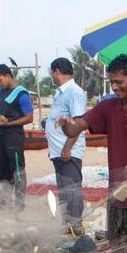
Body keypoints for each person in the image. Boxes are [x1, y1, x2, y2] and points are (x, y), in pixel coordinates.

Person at [59, 55, 127, 251]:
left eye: (119, 82)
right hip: (116, 195)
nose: (115, 87)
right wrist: (66, 125)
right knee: (117, 249)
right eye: (111, 83)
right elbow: (74, 129)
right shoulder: (107, 107)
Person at [46, 57, 87, 236]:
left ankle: (76, 226)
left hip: (67, 152)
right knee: (64, 191)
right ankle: (68, 225)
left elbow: (78, 123)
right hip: (58, 152)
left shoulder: (74, 92)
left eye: (52, 73)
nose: (52, 76)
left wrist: (67, 149)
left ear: (57, 72)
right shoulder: (60, 93)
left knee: (72, 190)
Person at [0, 64, 34, 210]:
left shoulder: (21, 94)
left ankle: (20, 204)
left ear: (8, 76)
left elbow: (29, 118)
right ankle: (6, 202)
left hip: (14, 136)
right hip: (2, 135)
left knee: (17, 169)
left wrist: (10, 123)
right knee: (3, 169)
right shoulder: (2, 91)